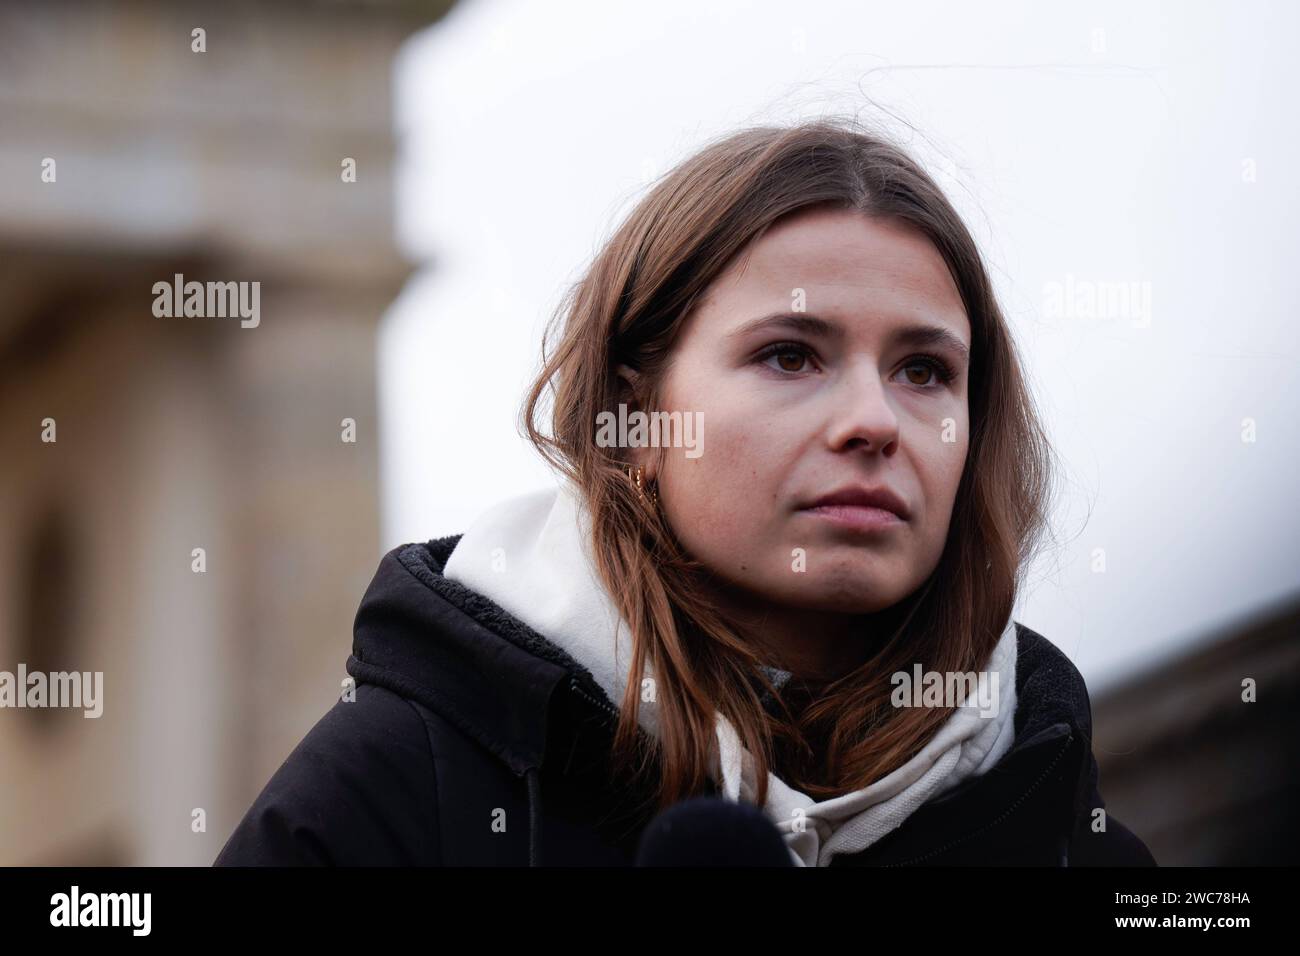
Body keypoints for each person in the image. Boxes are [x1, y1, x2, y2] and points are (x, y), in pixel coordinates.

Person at [214, 117, 1157, 867]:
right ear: (639, 415)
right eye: (790, 356)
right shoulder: (397, 791)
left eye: (924, 372)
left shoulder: (1061, 823)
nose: (874, 420)